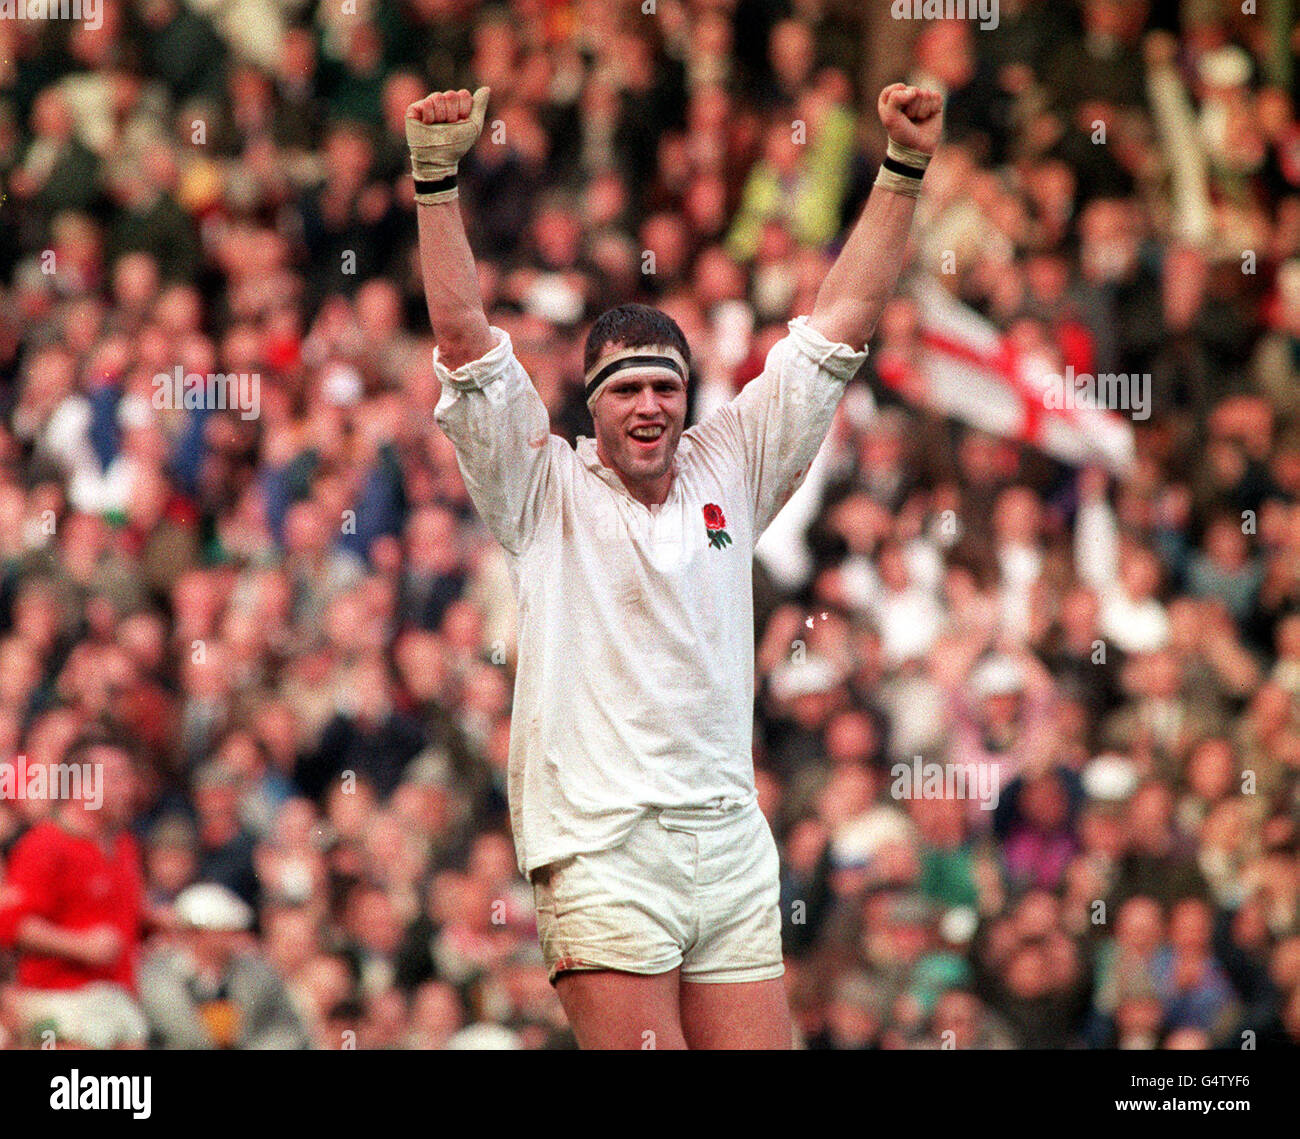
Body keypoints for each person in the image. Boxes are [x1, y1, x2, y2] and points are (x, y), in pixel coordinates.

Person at [404, 81, 943, 1048]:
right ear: (590, 404)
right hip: (603, 848)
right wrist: (437, 183)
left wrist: (902, 166)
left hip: (731, 839)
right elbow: (463, 341)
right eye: (626, 389)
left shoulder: (730, 462)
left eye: (667, 386)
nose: (650, 405)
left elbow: (844, 322)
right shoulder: (540, 484)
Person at [0, 737, 148, 1048]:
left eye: (128, 776)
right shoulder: (45, 844)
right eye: (116, 777)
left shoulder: (123, 844)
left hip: (118, 993)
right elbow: (12, 925)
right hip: (62, 995)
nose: (128, 787)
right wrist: (80, 945)